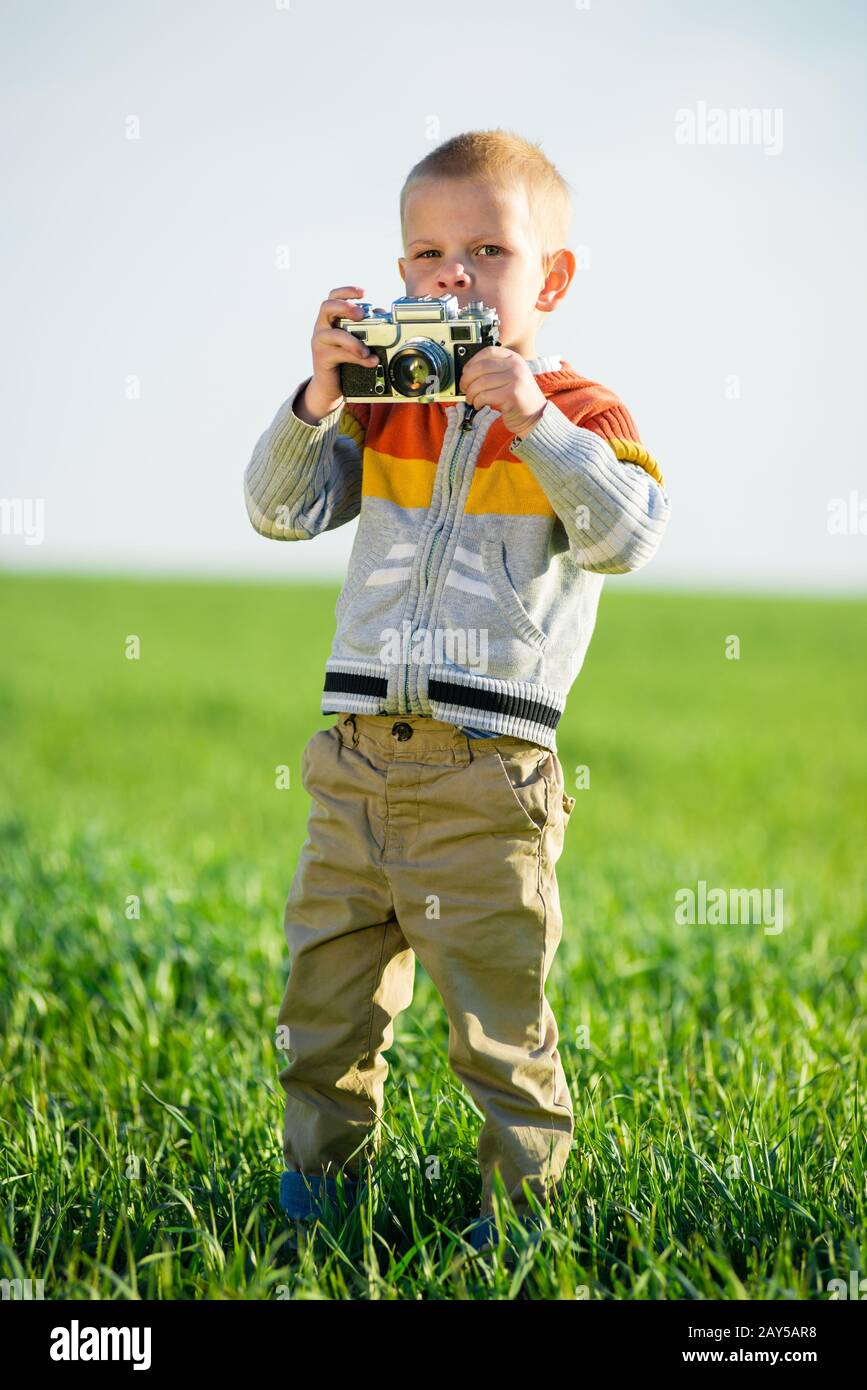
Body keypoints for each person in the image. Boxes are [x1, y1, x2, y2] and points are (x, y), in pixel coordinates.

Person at [243, 128, 671, 1254]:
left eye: (489, 250)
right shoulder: (387, 399)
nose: (454, 276)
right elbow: (280, 512)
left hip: (488, 775)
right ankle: (315, 1215)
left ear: (553, 277)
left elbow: (627, 535)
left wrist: (537, 421)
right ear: (399, 275)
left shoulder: (580, 408)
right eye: (428, 254)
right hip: (355, 762)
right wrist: (320, 393)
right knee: (322, 1013)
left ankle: (522, 1229)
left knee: (498, 1025)